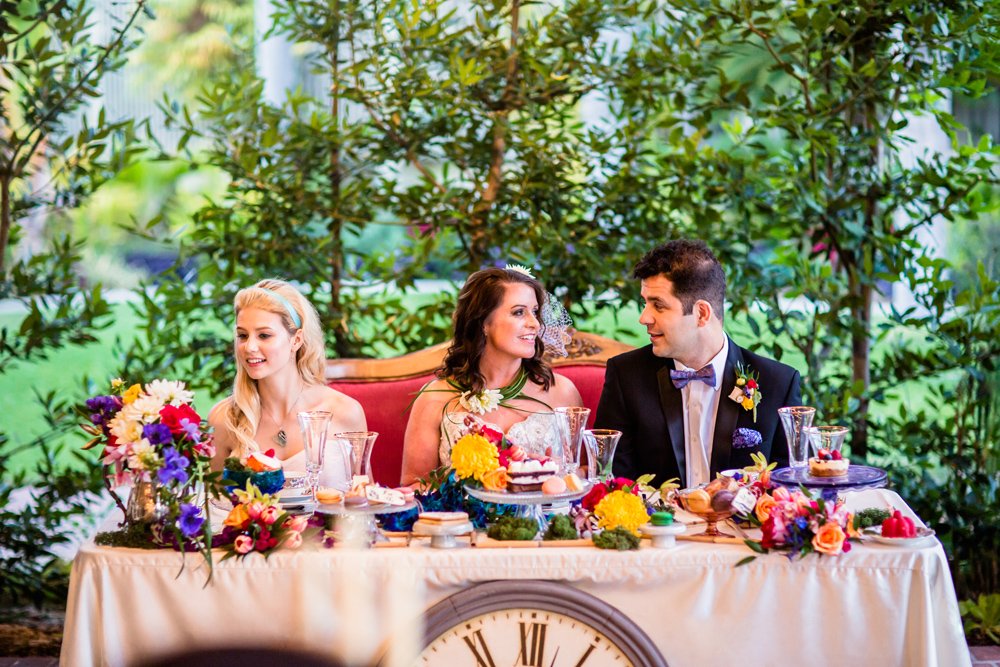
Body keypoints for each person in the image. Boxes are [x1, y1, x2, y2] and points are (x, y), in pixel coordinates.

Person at [594, 240, 801, 488]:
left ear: (702, 313)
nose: (644, 317)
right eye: (645, 303)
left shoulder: (778, 384)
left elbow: (790, 488)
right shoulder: (626, 376)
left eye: (658, 305)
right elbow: (613, 483)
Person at [401, 266, 584, 486]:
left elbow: (585, 474)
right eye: (519, 312)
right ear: (483, 323)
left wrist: (559, 471)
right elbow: (414, 486)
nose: (534, 323)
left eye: (535, 312)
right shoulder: (435, 397)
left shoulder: (562, 392)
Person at [209, 279, 366, 473]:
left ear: (296, 340)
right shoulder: (225, 419)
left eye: (264, 335)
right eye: (242, 335)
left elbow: (363, 488)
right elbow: (213, 493)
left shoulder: (344, 412)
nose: (249, 347)